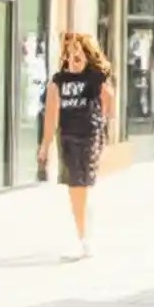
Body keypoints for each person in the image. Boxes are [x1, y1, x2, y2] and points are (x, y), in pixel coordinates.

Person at [38, 33, 114, 261]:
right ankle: (85, 234)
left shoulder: (95, 79)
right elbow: (51, 116)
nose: (74, 58)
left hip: (89, 137)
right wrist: (45, 146)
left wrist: (102, 123)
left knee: (81, 186)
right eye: (69, 54)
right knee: (75, 188)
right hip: (67, 138)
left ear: (87, 55)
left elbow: (110, 101)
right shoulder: (58, 82)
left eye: (78, 53)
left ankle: (85, 238)